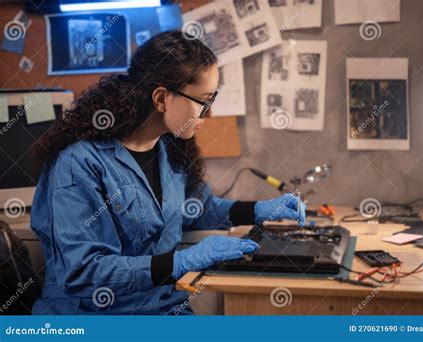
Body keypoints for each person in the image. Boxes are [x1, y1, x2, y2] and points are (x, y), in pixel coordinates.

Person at [30, 30, 306, 315]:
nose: (209, 115)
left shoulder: (169, 148)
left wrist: (259, 210)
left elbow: (197, 208)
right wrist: (180, 262)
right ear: (161, 98)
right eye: (203, 101)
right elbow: (85, 272)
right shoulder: (79, 164)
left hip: (163, 308)